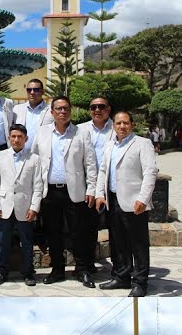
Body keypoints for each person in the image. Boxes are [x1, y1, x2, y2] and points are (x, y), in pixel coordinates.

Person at [34, 95, 97, 287]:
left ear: (70, 111)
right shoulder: (43, 133)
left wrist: (92, 188)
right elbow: (36, 161)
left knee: (79, 232)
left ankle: (82, 269)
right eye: (58, 109)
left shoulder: (81, 133)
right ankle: (57, 269)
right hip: (50, 192)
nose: (62, 112)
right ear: (52, 112)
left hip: (75, 192)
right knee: (53, 233)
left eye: (66, 109)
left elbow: (90, 163)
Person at [95, 111, 158, 297]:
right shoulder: (109, 145)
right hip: (113, 200)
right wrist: (100, 194)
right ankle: (121, 276)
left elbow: (150, 172)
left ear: (132, 125)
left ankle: (140, 282)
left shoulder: (142, 144)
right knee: (118, 242)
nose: (122, 126)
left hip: (135, 202)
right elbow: (103, 170)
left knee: (138, 244)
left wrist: (143, 199)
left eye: (126, 123)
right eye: (118, 123)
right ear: (113, 125)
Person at [0, 124, 43, 287]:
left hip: (25, 207)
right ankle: (0, 272)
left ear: (26, 139)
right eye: (13, 136)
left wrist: (34, 207)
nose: (16, 139)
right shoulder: (0, 156)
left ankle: (28, 272)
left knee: (26, 242)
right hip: (5, 206)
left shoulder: (34, 159)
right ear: (9, 138)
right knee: (3, 241)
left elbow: (38, 185)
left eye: (20, 137)